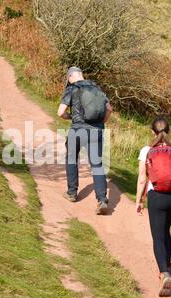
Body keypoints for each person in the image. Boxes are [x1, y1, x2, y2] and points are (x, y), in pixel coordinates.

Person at [135, 116, 171, 297]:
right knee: (165, 229)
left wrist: (138, 201)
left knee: (158, 236)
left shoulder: (147, 150)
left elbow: (142, 179)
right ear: (168, 131)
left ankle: (165, 273)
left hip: (157, 198)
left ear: (152, 132)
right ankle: (167, 265)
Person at [58, 66, 113, 214]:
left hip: (77, 130)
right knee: (97, 164)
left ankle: (72, 193)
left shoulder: (71, 89)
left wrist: (71, 117)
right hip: (97, 130)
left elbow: (60, 112)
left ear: (70, 77)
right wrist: (102, 123)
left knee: (71, 158)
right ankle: (102, 200)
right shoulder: (97, 88)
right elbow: (109, 109)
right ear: (81, 75)